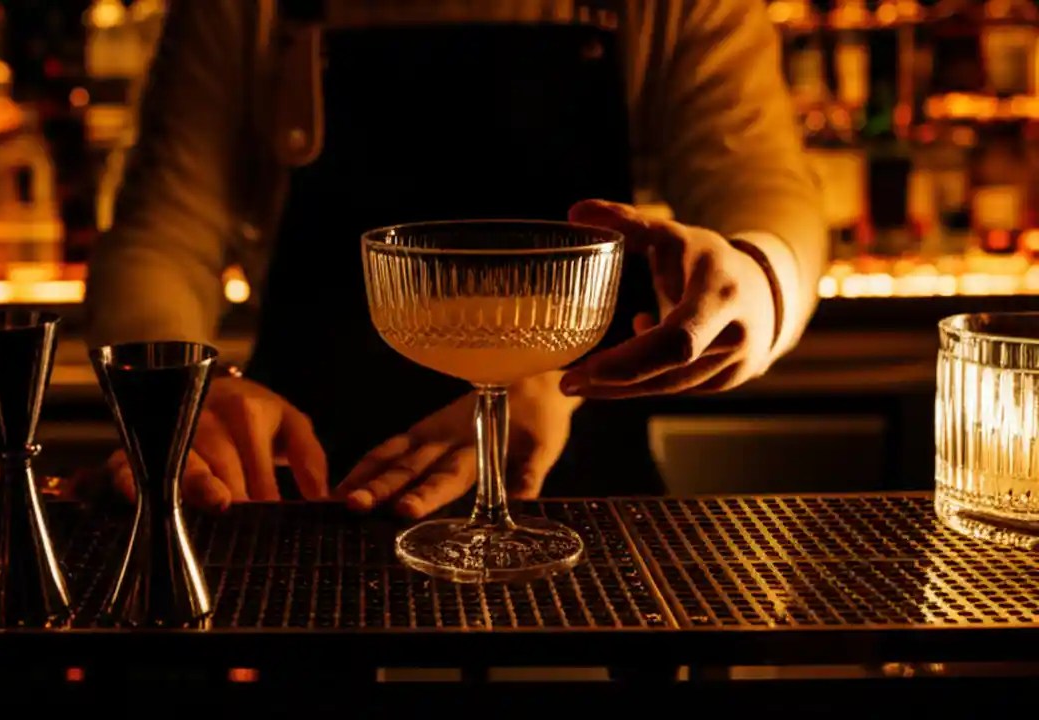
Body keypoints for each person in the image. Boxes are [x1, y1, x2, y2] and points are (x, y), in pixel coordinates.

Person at [84, 0, 827, 516]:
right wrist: (180, 392)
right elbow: (162, 232)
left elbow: (762, 192)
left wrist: (753, 287)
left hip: (580, 474)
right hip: (310, 488)